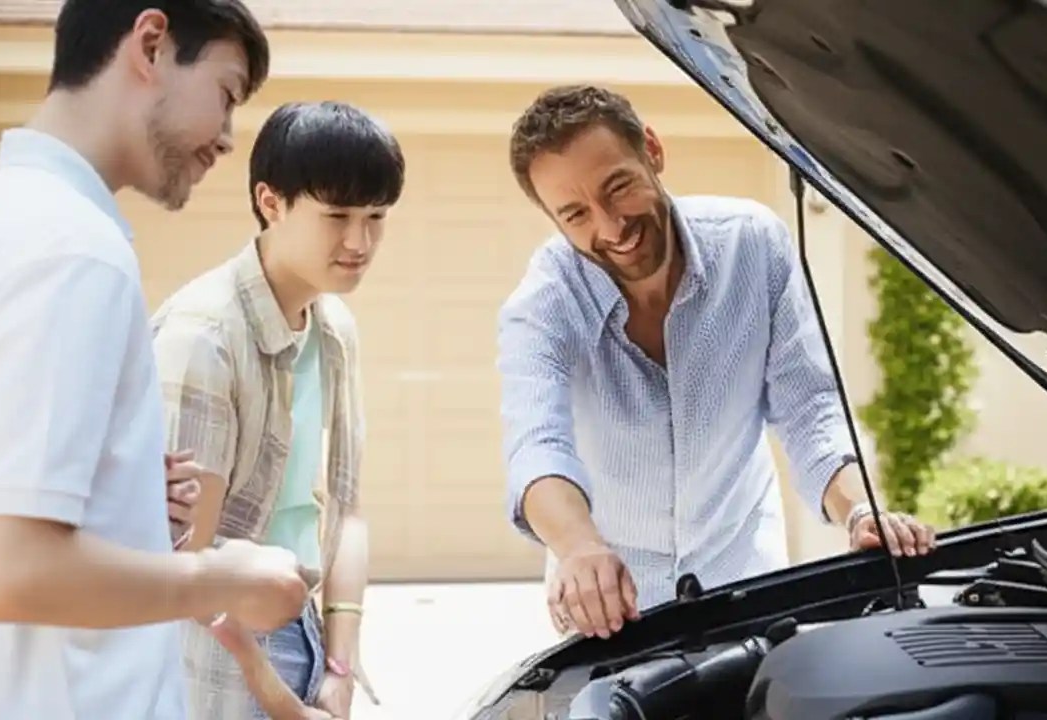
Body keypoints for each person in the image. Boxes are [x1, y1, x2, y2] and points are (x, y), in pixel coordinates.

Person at [0, 2, 316, 719]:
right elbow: (13, 571)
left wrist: (118, 501)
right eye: (227, 94)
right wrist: (221, 576)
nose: (228, 139)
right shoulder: (72, 248)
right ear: (150, 44)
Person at [497, 84, 939, 639]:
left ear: (652, 151)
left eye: (619, 187)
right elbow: (536, 445)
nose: (611, 227)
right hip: (611, 605)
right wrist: (579, 548)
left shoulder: (754, 247)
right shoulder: (542, 305)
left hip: (749, 587)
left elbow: (808, 408)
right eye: (575, 213)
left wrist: (859, 509)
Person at [150, 100, 404, 720]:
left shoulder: (333, 327)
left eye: (375, 216)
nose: (360, 241)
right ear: (270, 202)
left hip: (310, 636)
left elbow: (346, 510)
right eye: (337, 215)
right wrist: (277, 695)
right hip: (216, 659)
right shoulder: (203, 337)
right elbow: (187, 567)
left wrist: (340, 671)